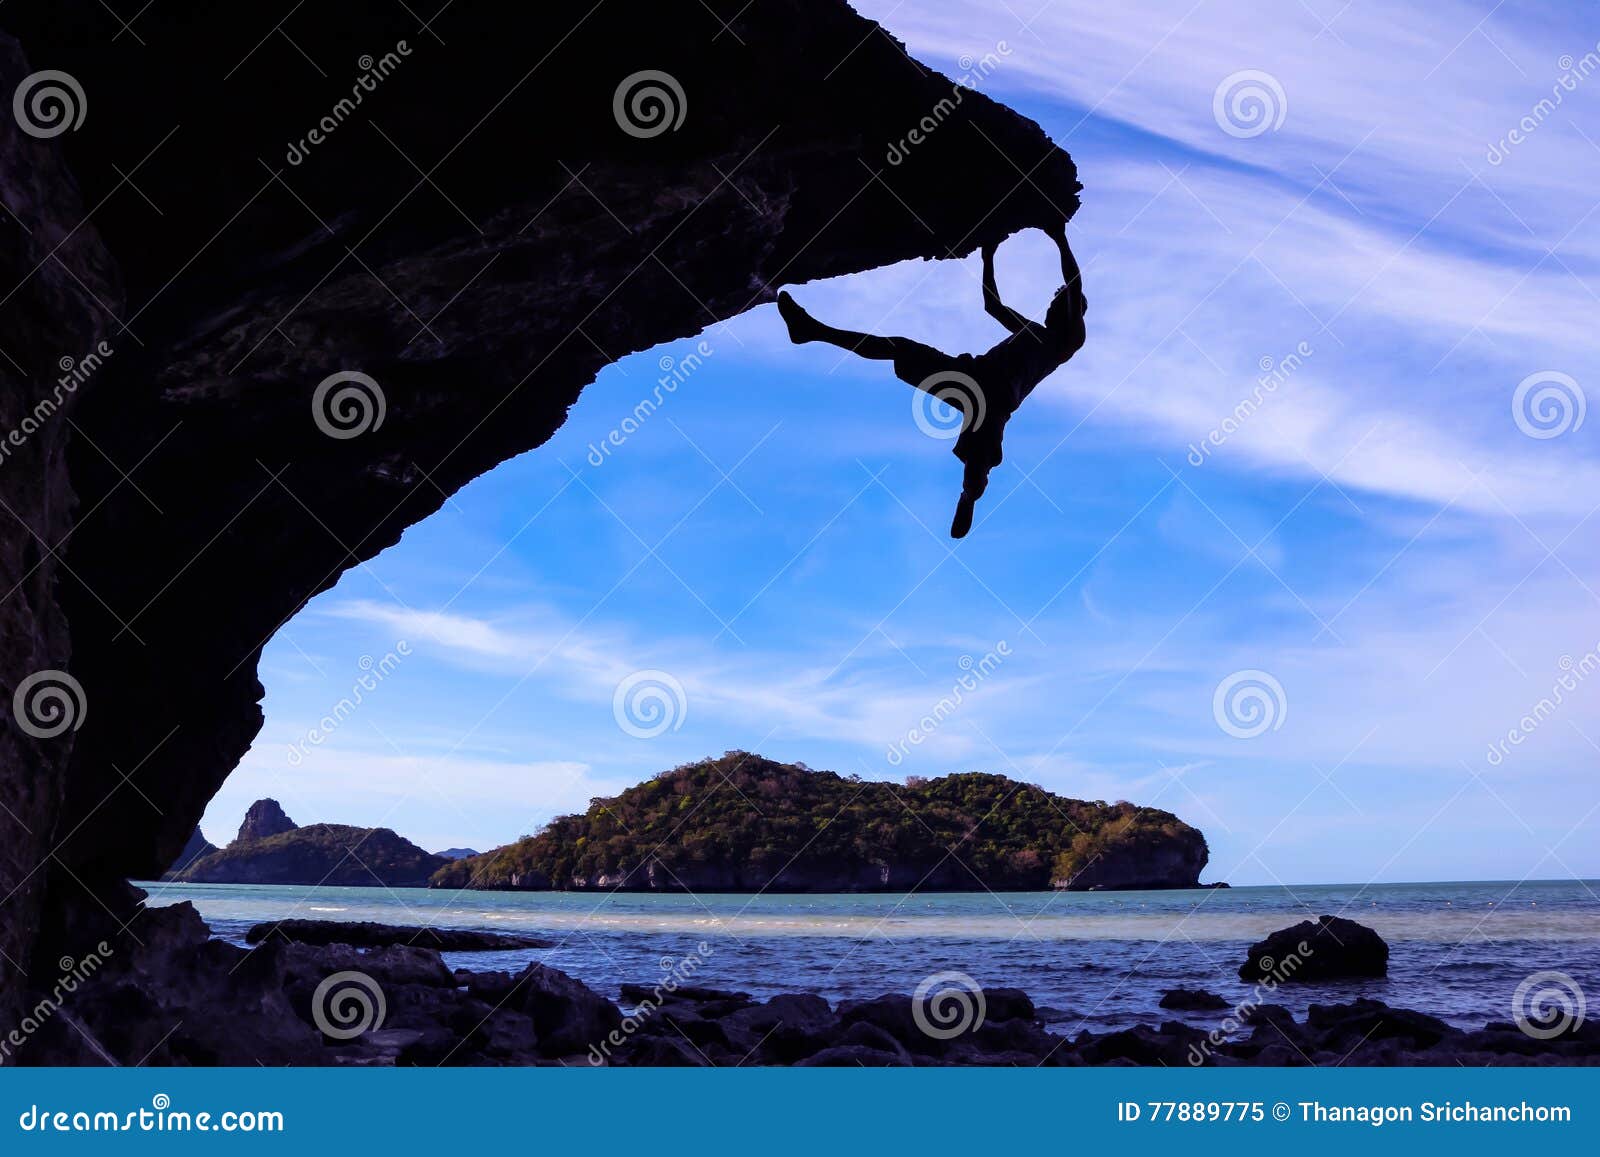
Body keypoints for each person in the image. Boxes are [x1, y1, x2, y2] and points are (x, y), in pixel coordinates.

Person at [778, 221, 1086, 537]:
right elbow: (992, 305)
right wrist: (988, 257)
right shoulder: (1033, 331)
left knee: (979, 464)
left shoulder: (1068, 340)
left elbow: (1074, 285)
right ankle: (811, 330)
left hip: (995, 403)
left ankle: (968, 498)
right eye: (1050, 303)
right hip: (969, 376)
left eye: (1056, 304)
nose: (1049, 307)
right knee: (898, 347)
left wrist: (1059, 236)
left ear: (1071, 312)